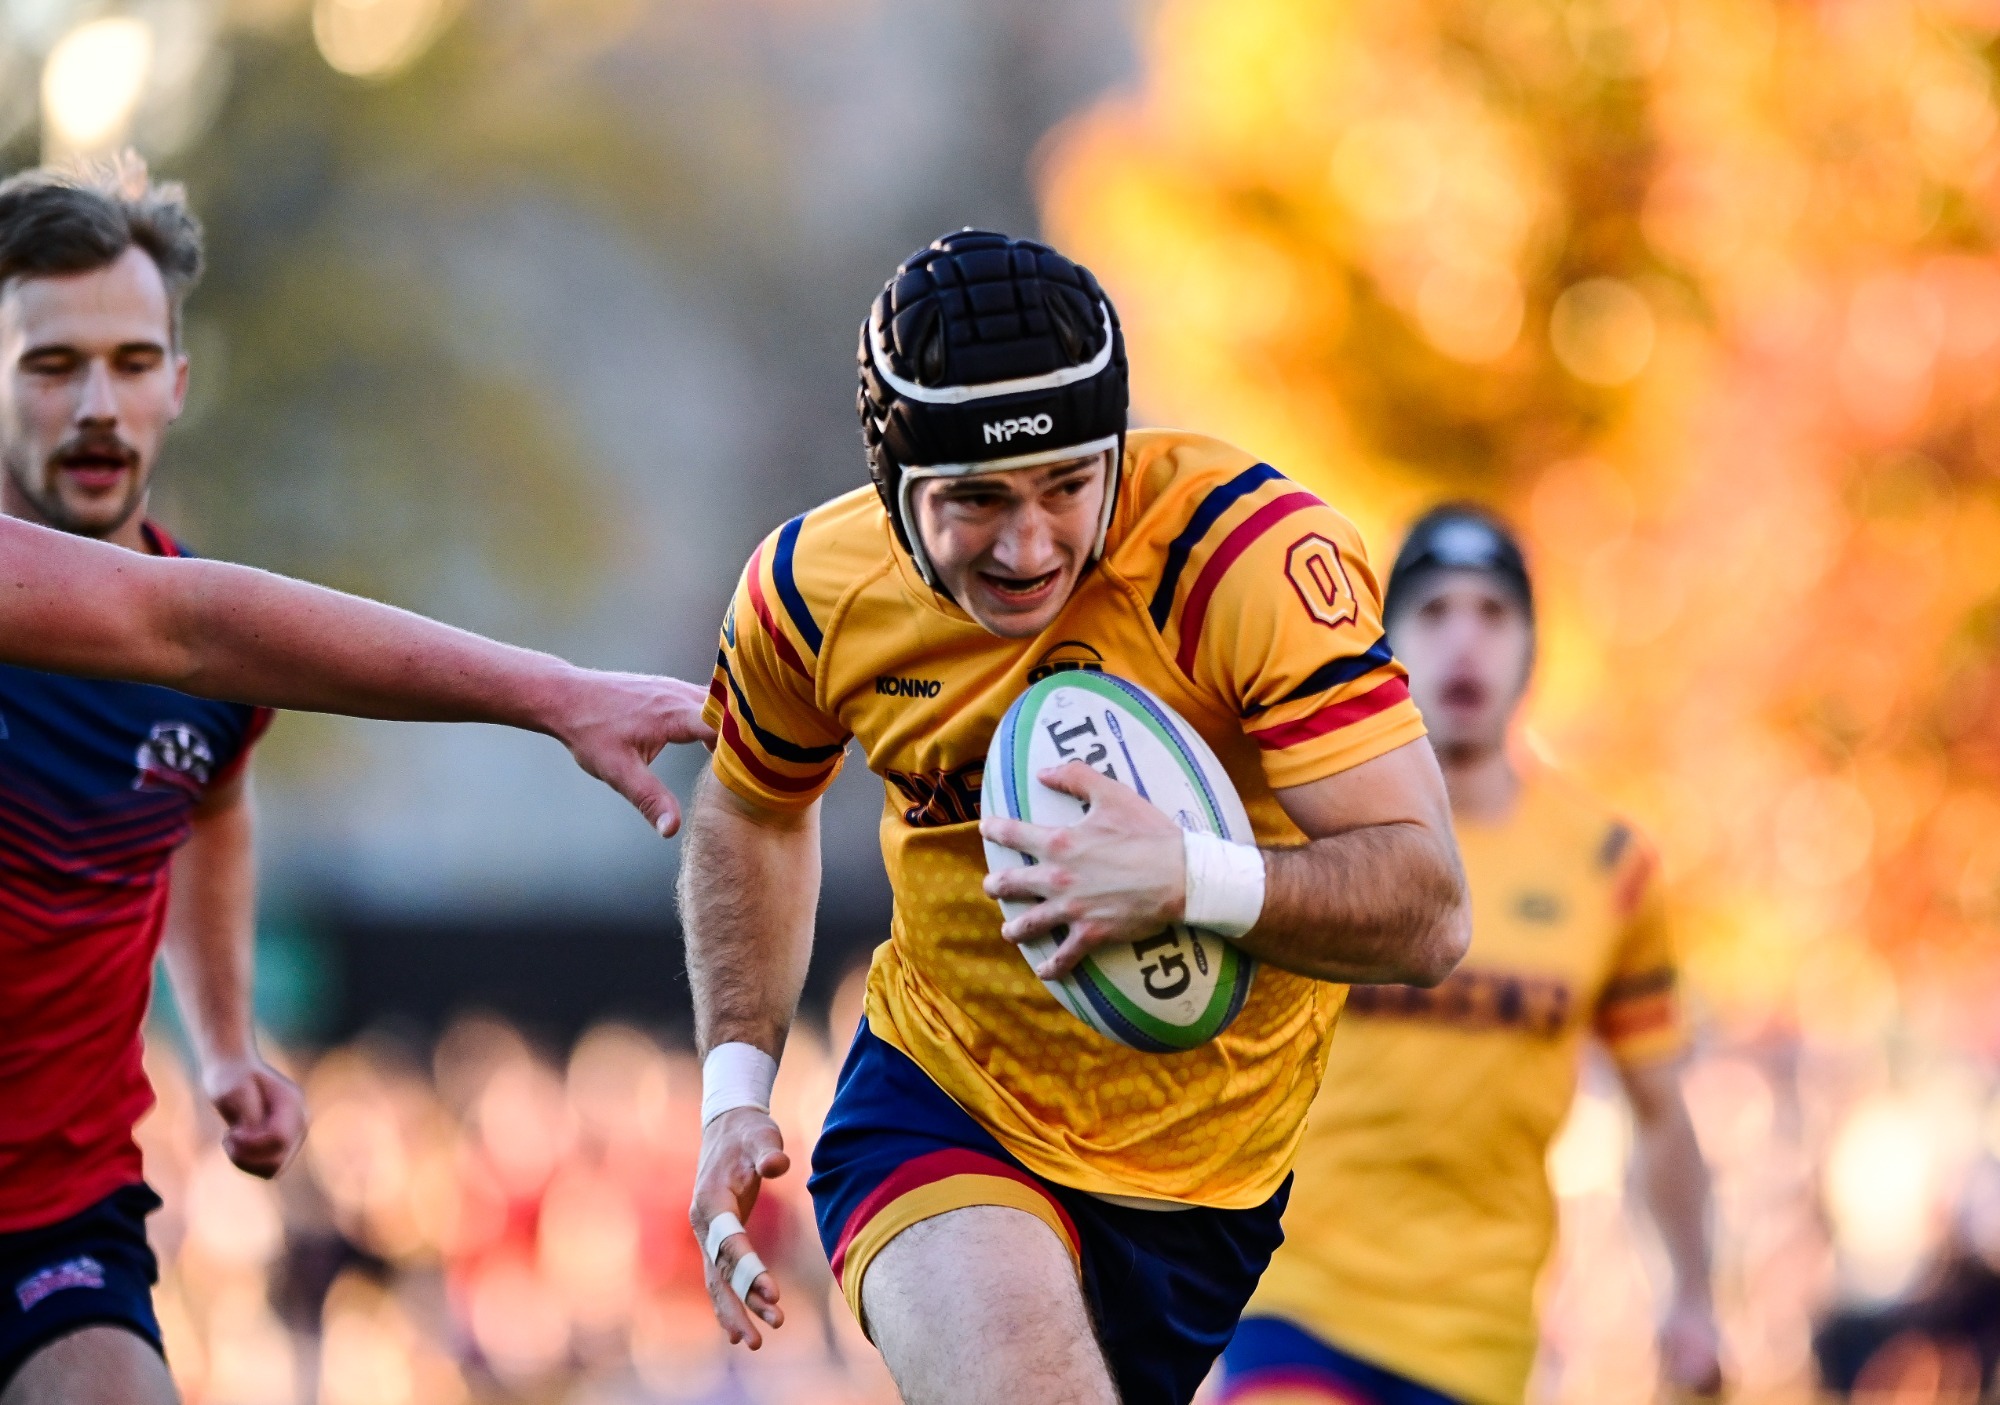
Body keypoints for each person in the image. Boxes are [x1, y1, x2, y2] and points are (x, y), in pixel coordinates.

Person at [678, 229, 1471, 1405]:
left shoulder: (1241, 558)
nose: (1029, 543)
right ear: (896, 497)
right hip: (943, 1097)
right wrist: (733, 1094)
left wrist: (1189, 878)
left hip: (1207, 1175)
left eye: (1065, 485)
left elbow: (1427, 909)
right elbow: (751, 808)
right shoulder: (810, 590)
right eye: (978, 501)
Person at [0, 161, 711, 1405]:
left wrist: (223, 1043)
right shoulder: (191, 624)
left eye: (128, 361)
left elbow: (206, 804)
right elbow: (181, 626)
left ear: (178, 377)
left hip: (57, 1214)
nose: (96, 407)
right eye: (51, 366)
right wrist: (550, 692)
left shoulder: (210, 658)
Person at [1215, 506, 1724, 1405]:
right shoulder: (1298, 832)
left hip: (1479, 1340)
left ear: (1531, 648)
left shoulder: (1611, 867)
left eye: (1492, 614)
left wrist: (1690, 1296)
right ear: (1387, 642)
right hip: (1294, 1300)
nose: (1463, 643)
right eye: (1436, 610)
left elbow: (1659, 1113)